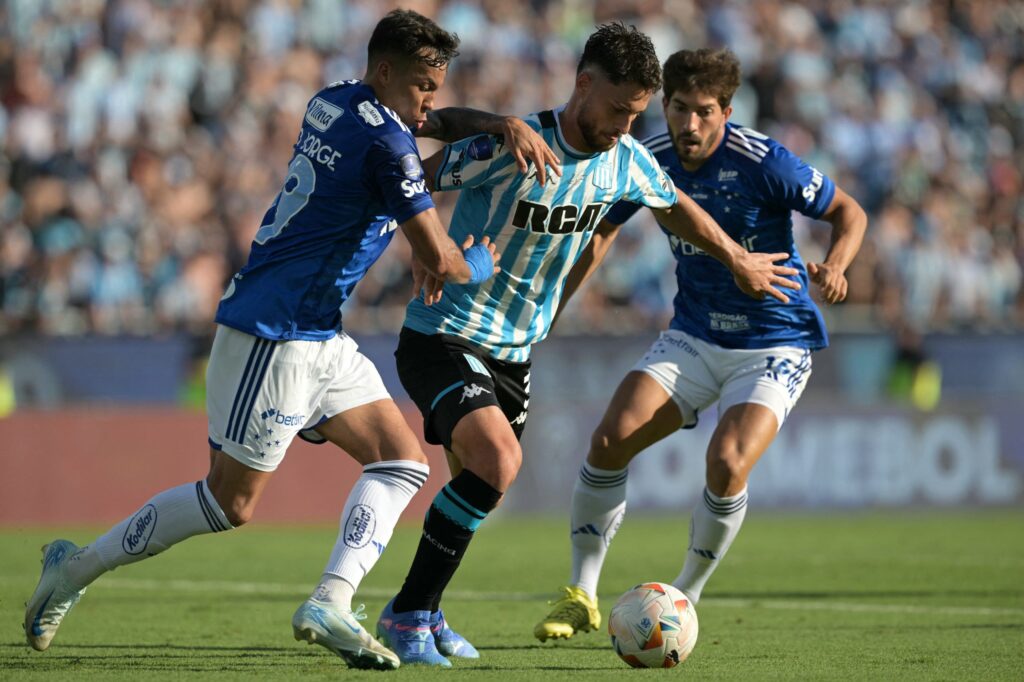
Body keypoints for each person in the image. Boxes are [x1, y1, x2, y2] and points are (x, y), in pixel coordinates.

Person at [22, 9, 560, 671]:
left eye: (436, 86)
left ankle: (331, 600)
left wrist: (501, 126)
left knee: (402, 462)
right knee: (229, 502)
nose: (430, 99)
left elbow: (434, 125)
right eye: (423, 84)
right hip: (272, 334)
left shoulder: (333, 100)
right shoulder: (388, 149)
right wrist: (475, 261)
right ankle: (73, 569)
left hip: (317, 332)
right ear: (387, 72)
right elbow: (443, 260)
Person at [372, 25, 802, 667]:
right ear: (583, 85)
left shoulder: (625, 160)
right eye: (619, 109)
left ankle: (428, 612)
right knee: (496, 462)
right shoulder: (514, 146)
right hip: (444, 332)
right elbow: (413, 180)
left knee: (476, 486)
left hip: (515, 353)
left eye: (637, 114)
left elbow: (675, 205)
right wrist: (427, 249)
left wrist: (739, 257)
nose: (626, 125)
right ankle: (406, 613)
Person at [534, 47, 868, 642]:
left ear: (727, 111)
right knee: (609, 440)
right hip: (692, 335)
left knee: (727, 461)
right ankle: (581, 593)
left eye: (705, 112)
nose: (690, 124)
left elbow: (850, 211)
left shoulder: (765, 162)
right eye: (679, 109)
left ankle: (684, 598)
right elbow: (601, 237)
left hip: (774, 341)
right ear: (663, 105)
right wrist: (555, 304)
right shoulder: (647, 160)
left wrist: (838, 267)